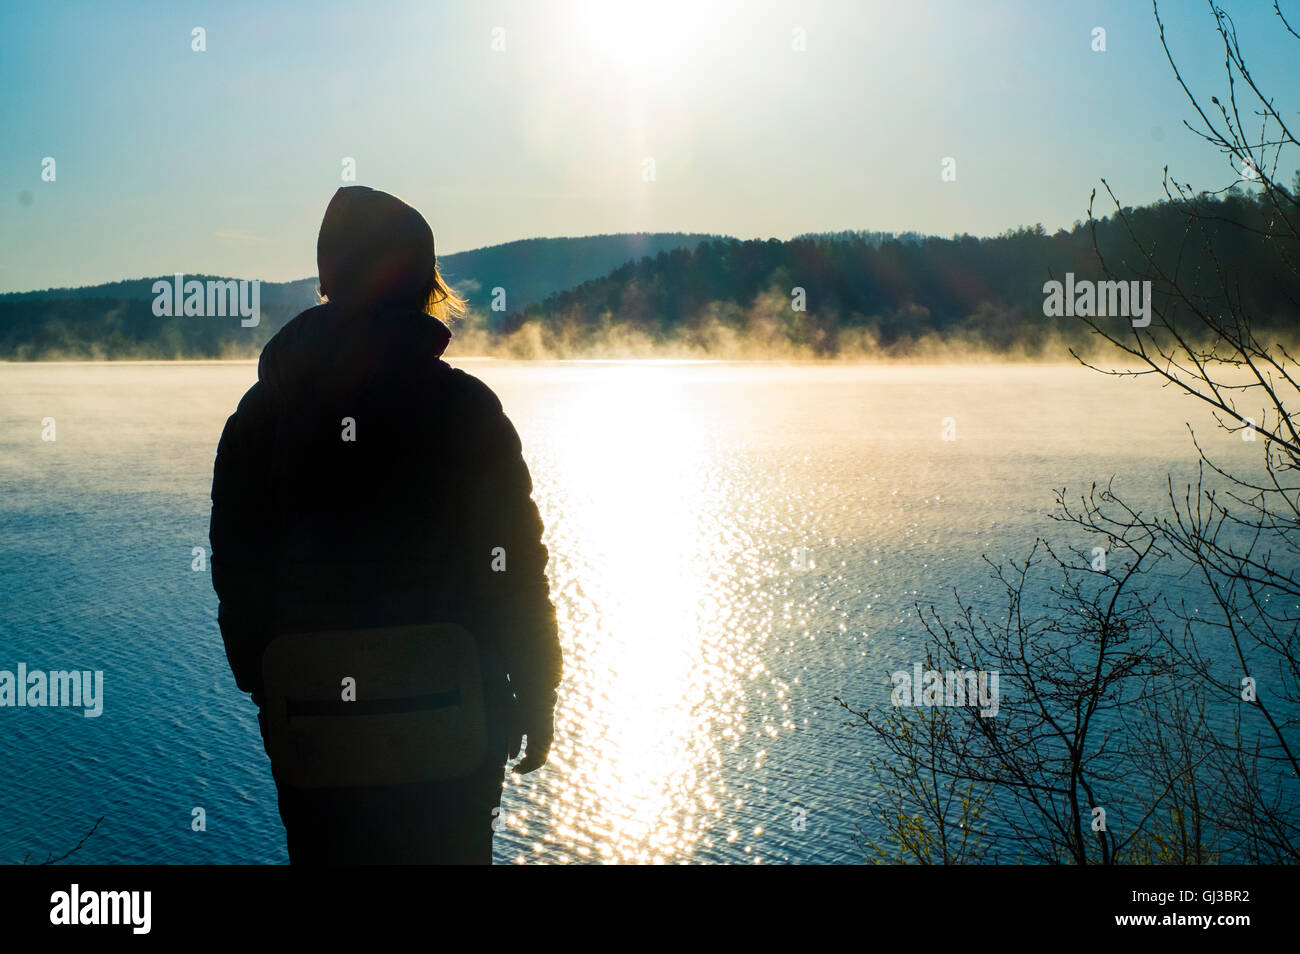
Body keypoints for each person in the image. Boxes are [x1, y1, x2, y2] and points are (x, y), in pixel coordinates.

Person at [208, 185, 562, 864]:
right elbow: (515, 569)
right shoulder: (464, 411)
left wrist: (267, 683)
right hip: (450, 725)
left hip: (314, 728)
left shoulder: (259, 420)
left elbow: (237, 575)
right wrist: (536, 687)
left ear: (327, 278)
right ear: (424, 284)